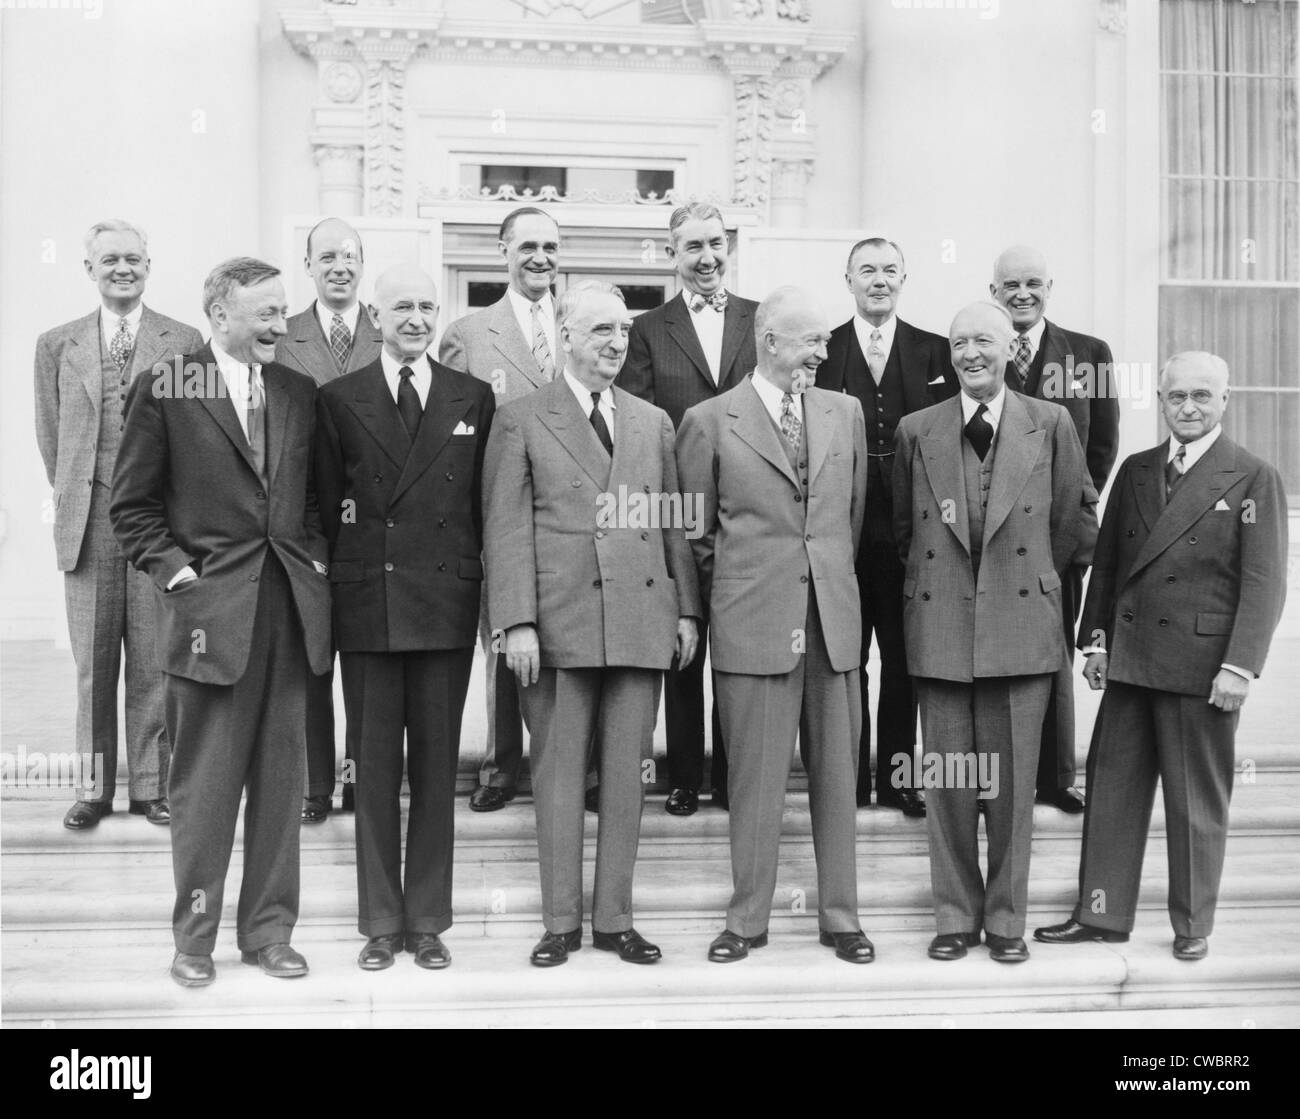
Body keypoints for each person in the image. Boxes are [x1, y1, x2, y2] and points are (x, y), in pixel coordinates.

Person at [111, 257, 332, 988]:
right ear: (221, 314)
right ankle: (194, 940)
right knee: (203, 790)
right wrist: (180, 577)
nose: (280, 325)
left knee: (281, 784)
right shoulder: (172, 382)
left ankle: (270, 932)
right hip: (209, 619)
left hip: (289, 615)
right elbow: (132, 507)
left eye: (282, 311)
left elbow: (319, 503)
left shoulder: (299, 391)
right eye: (266, 313)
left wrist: (316, 567)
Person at [1034, 352, 1287, 961]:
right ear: (1162, 400)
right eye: (1177, 397)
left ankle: (1192, 925)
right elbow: (1109, 563)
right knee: (1114, 794)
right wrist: (1094, 639)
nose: (1189, 408)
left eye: (1202, 396)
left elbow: (1263, 582)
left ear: (1225, 401)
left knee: (1194, 803)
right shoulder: (1138, 470)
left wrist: (1240, 666)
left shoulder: (1252, 477)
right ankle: (1100, 915)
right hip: (1130, 661)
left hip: (1202, 670)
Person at [483, 281, 700, 967]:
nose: (614, 343)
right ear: (567, 336)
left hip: (640, 619)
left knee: (629, 779)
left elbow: (673, 521)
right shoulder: (521, 418)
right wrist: (516, 621)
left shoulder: (652, 420)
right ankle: (560, 922)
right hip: (558, 627)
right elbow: (506, 529)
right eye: (600, 330)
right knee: (556, 777)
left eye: (623, 332)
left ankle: (615, 919)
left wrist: (686, 607)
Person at [893, 301, 1097, 964]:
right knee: (951, 784)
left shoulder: (1052, 422)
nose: (970, 353)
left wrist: (1035, 580)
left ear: (1011, 349)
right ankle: (954, 915)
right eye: (959, 343)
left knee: (1011, 791)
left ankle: (1007, 920)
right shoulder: (917, 429)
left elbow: (1075, 519)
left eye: (983, 340)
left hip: (1021, 629)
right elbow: (903, 530)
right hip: (942, 628)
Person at [676, 286, 874, 965]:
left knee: (839, 778)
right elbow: (695, 537)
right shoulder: (708, 420)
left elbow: (849, 517)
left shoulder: (844, 412)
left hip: (832, 623)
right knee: (754, 784)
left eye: (824, 340)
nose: (824, 351)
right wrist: (726, 604)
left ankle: (841, 916)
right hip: (752, 625)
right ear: (769, 341)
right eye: (811, 340)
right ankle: (747, 919)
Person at [316, 264, 495, 971]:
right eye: (402, 308)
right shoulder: (338, 398)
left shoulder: (472, 396)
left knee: (434, 768)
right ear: (376, 317)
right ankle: (379, 920)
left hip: (445, 603)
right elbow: (330, 507)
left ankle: (428, 919)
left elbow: (484, 508)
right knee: (375, 769)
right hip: (369, 605)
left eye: (427, 306)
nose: (417, 318)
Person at [34, 219, 203, 831]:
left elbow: (193, 433)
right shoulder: (57, 344)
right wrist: (83, 492)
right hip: (88, 526)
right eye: (110, 260)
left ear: (148, 265)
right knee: (93, 666)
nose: (122, 269)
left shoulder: (183, 339)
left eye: (133, 258)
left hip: (157, 525)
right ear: (90, 270)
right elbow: (52, 439)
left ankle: (153, 787)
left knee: (155, 664)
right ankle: (93, 789)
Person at [440, 207, 592, 811]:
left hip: (577, 516)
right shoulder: (470, 333)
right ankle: (501, 768)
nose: (541, 258)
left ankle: (581, 768)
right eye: (527, 245)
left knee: (579, 645)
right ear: (501, 250)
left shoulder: (583, 324)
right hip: (501, 514)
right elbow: (450, 439)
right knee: (506, 638)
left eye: (551, 247)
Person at [618, 202, 759, 816]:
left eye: (714, 244)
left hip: (750, 501)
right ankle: (681, 774)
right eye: (692, 247)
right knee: (683, 630)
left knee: (738, 641)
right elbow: (643, 420)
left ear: (728, 247)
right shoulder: (648, 329)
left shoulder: (761, 320)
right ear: (672, 255)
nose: (706, 258)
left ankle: (731, 774)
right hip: (679, 499)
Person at [815, 237, 957, 816]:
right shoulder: (824, 350)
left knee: (903, 661)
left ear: (905, 278)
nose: (879, 280)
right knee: (845, 660)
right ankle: (847, 782)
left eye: (890, 270)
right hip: (839, 535)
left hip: (914, 539)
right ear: (847, 278)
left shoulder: (937, 351)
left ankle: (899, 777)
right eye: (866, 270)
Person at [990, 245, 1120, 814]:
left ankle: (1055, 776)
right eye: (1011, 284)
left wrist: (1066, 527)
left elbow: (1101, 447)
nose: (1023, 293)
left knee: (1053, 660)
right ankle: (995, 777)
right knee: (994, 659)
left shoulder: (1088, 353)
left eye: (1033, 283)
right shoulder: (979, 347)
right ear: (994, 291)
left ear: (1050, 286)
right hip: (992, 539)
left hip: (1057, 538)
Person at [276, 218, 382, 824]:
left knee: (367, 665)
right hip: (303, 520)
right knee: (313, 658)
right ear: (308, 265)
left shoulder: (388, 330)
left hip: (374, 522)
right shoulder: (283, 335)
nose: (339, 266)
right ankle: (316, 786)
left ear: (362, 264)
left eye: (350, 256)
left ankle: (359, 783)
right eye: (327, 257)